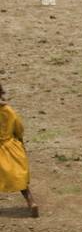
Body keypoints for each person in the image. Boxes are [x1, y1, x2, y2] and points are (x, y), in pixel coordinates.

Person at [0, 84, 39, 218]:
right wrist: (20, 144)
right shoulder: (8, 110)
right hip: (11, 147)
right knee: (21, 180)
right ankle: (31, 201)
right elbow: (19, 128)